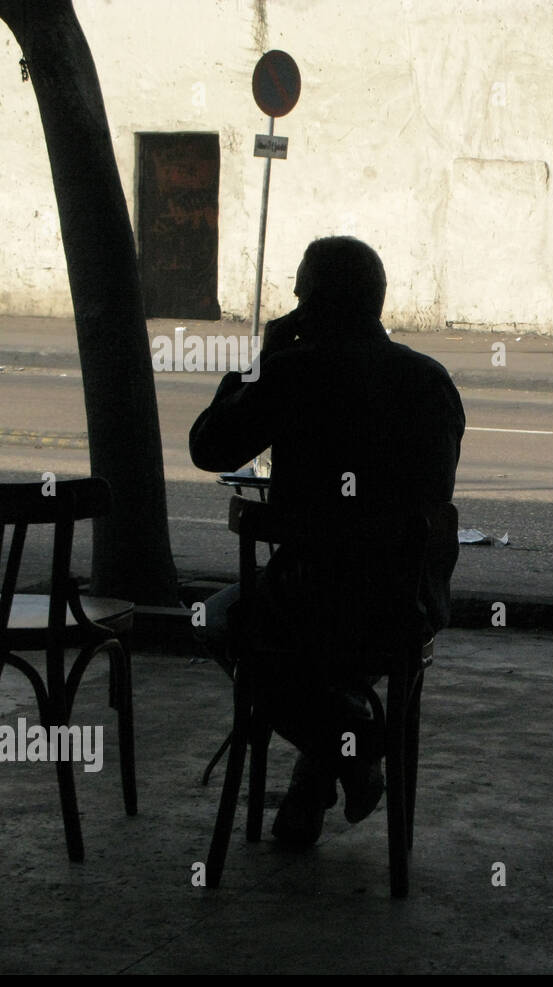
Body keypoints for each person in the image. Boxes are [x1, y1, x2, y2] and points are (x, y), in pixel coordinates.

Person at [190, 236, 465, 847]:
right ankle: (330, 767)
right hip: (405, 605)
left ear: (310, 302)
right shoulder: (430, 381)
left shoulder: (291, 375)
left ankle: (354, 750)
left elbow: (208, 447)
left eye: (298, 292)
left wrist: (262, 363)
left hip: (307, 605)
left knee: (218, 621)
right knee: (325, 663)